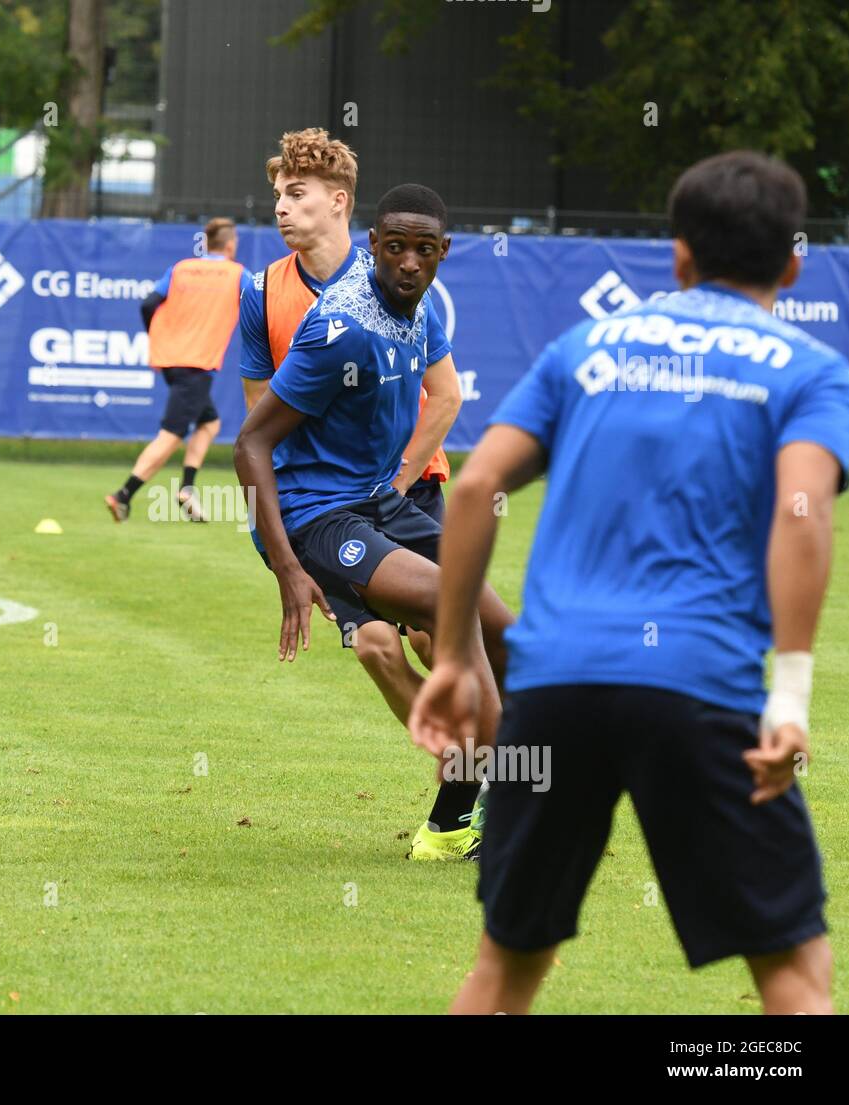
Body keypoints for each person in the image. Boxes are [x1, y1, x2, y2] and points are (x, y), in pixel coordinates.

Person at [412, 150, 849, 1014]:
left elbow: (471, 488)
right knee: (795, 978)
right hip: (698, 692)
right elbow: (803, 515)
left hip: (552, 688)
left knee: (505, 970)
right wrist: (790, 693)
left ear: (678, 256)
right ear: (794, 264)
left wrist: (458, 657)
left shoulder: (587, 346)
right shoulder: (809, 368)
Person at [239, 132, 513, 860]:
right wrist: (289, 567)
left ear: (442, 253)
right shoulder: (339, 324)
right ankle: (488, 803)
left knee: (507, 631)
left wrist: (398, 485)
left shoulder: (415, 301)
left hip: (377, 499)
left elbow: (444, 397)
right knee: (417, 627)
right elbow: (251, 442)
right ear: (375, 242)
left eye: (424, 250)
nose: (409, 262)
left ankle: (471, 806)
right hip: (316, 517)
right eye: (396, 248)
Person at [105, 217, 250, 523]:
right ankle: (123, 495)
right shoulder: (236, 274)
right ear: (230, 245)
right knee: (171, 434)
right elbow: (261, 304)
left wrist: (159, 338)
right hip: (196, 365)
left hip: (171, 361)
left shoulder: (181, 268)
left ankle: (186, 488)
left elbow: (148, 304)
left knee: (209, 423)